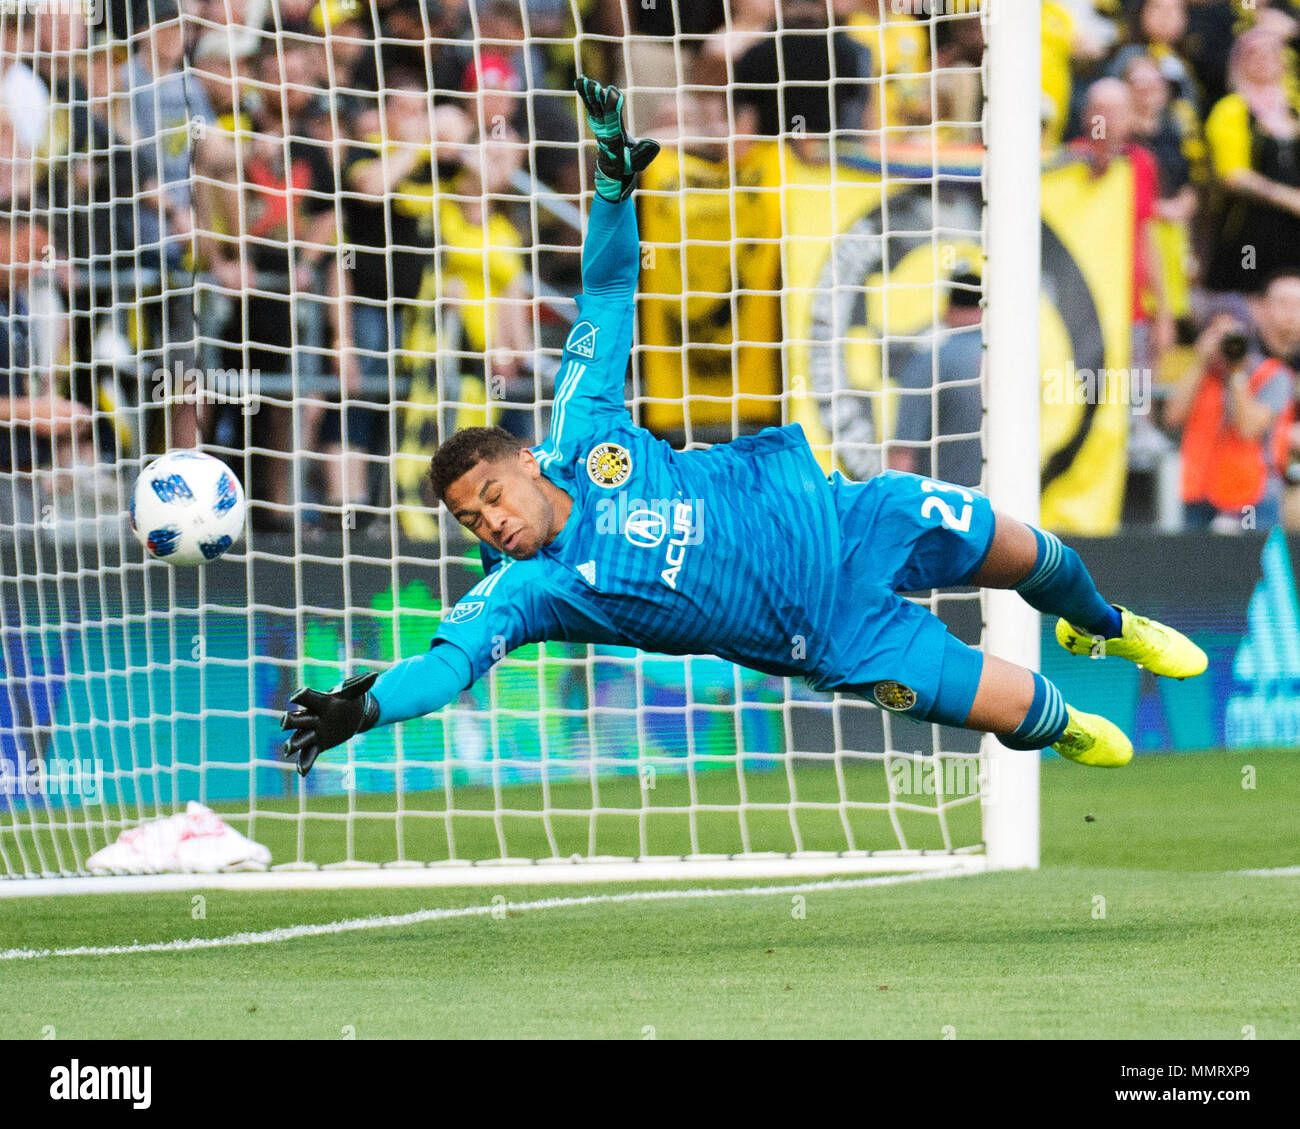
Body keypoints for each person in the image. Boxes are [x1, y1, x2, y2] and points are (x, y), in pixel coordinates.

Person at [281, 79, 1208, 778]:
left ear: (524, 460)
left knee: (1034, 552)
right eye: (472, 523)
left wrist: (612, 186)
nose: (491, 524)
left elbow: (606, 288)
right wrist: (364, 712)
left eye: (490, 497)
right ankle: (1057, 711)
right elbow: (445, 668)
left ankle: (1104, 625)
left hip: (850, 515)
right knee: (1034, 714)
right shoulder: (532, 590)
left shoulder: (584, 421)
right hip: (836, 633)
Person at [1164, 274, 1300, 530]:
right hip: (1199, 495)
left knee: (1253, 569)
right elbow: (1172, 416)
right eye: (1216, 331)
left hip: (1254, 498)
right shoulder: (1201, 374)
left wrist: (1236, 371)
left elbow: (1249, 429)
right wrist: (1200, 361)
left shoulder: (1272, 374)